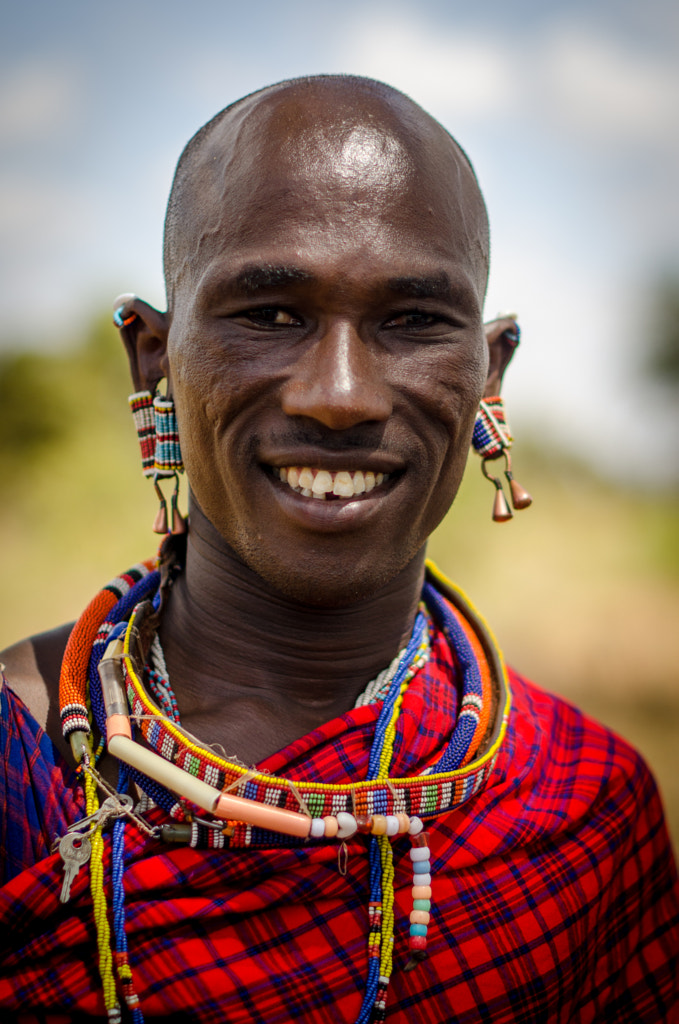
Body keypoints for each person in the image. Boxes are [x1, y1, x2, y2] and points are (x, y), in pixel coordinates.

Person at [0, 75, 676, 1023]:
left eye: (413, 321)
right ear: (154, 357)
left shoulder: (584, 810)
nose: (340, 395)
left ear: (488, 375)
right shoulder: (20, 759)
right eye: (270, 315)